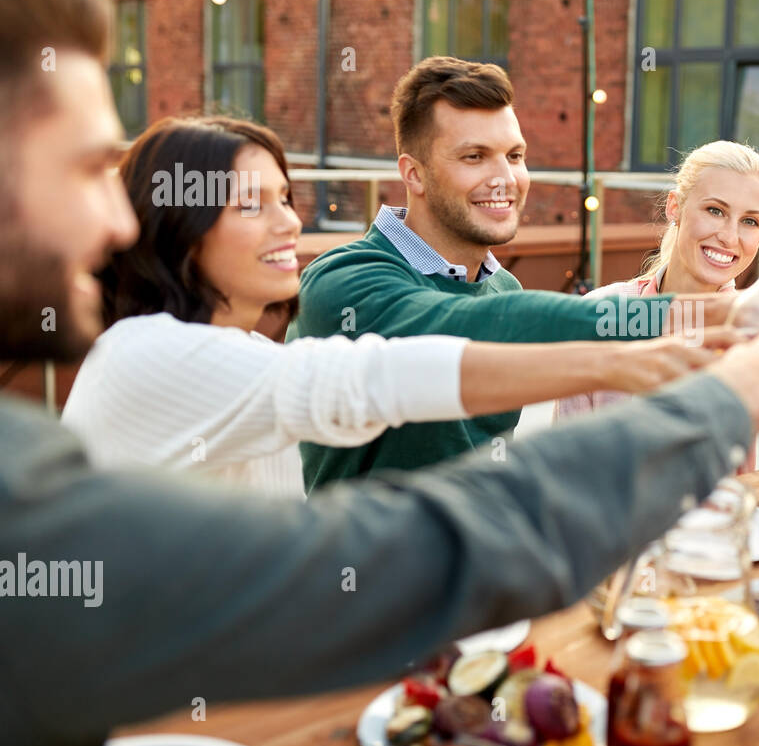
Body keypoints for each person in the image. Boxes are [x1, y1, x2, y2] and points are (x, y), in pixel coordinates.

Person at [0, 0, 759, 746]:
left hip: (352, 665)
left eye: (514, 154)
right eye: (81, 170)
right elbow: (401, 380)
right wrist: (693, 356)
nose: (292, 225)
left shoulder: (219, 353)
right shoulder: (206, 334)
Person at [61, 115, 718, 497]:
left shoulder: (249, 352)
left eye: (286, 198)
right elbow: (379, 377)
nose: (289, 223)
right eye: (252, 204)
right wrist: (643, 344)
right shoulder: (149, 354)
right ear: (180, 228)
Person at [290, 55, 736, 491]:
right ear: (415, 174)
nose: (505, 177)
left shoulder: (503, 286)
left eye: (515, 155)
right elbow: (459, 327)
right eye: (474, 157)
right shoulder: (343, 280)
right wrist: (696, 316)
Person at [555, 140, 759, 421]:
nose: (730, 238)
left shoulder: (755, 338)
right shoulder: (600, 313)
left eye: (750, 221)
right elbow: (568, 456)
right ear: (675, 207)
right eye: (715, 211)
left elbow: (741, 463)